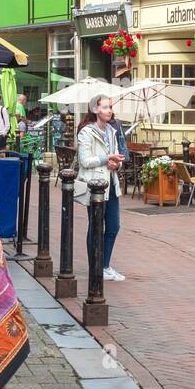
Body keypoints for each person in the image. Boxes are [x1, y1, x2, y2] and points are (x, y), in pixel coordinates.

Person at [75, 95, 126, 282]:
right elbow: (85, 161)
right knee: (96, 226)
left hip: (111, 184)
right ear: (95, 110)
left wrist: (116, 165)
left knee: (113, 226)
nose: (109, 110)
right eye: (105, 107)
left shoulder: (112, 131)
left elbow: (117, 159)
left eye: (110, 107)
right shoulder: (86, 132)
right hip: (95, 185)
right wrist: (107, 159)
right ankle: (95, 267)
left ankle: (105, 265)